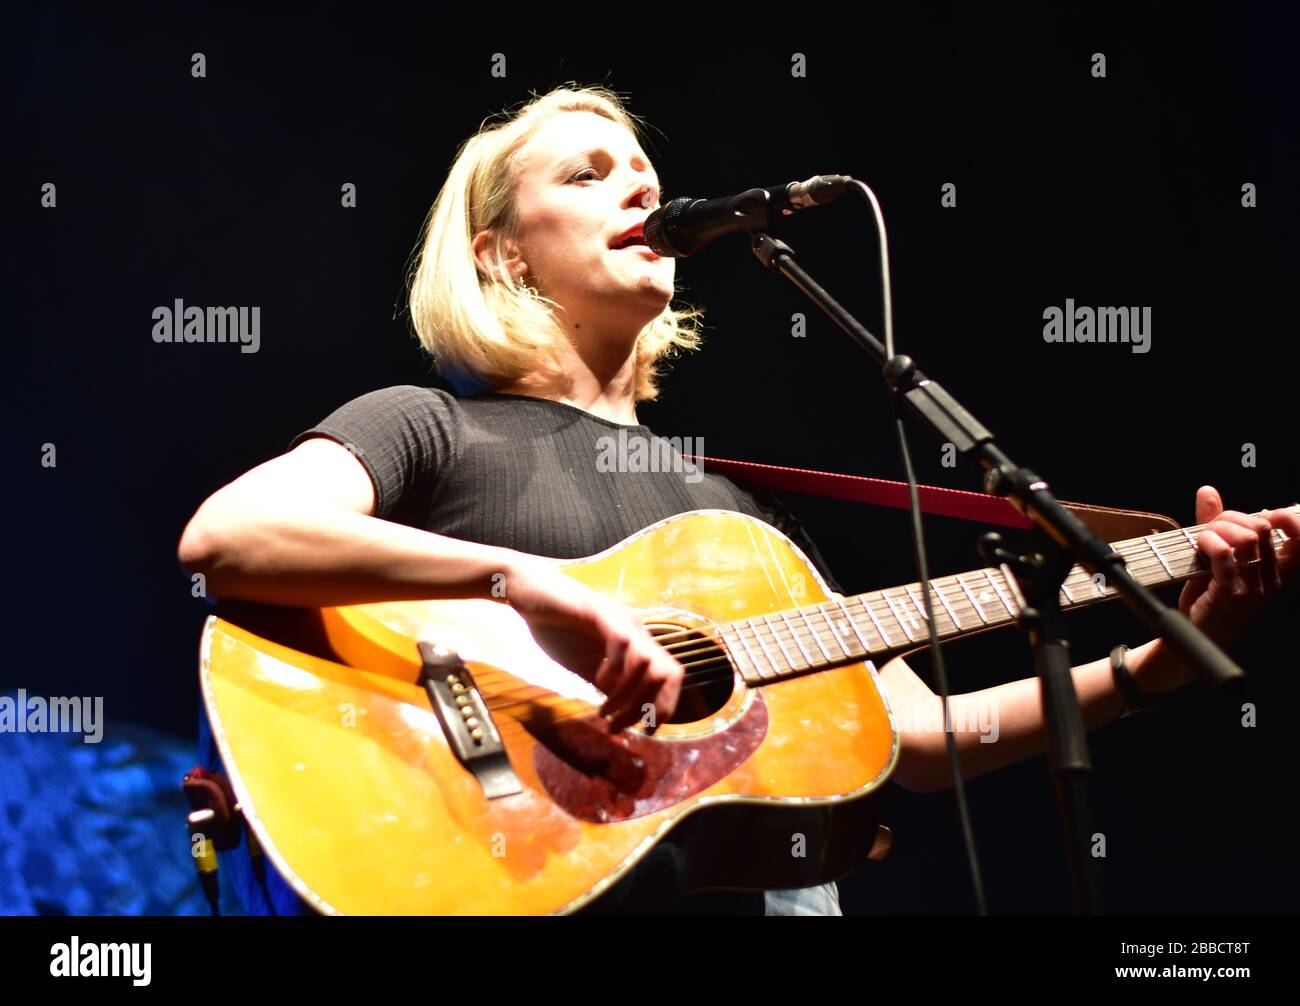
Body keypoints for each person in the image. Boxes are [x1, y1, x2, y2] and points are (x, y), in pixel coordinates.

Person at [177, 84, 1298, 916]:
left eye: (644, 177)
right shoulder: (430, 424)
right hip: (483, 851)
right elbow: (227, 539)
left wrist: (1157, 663)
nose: (640, 188)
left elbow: (913, 733)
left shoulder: (733, 518)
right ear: (504, 256)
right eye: (587, 174)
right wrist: (533, 589)